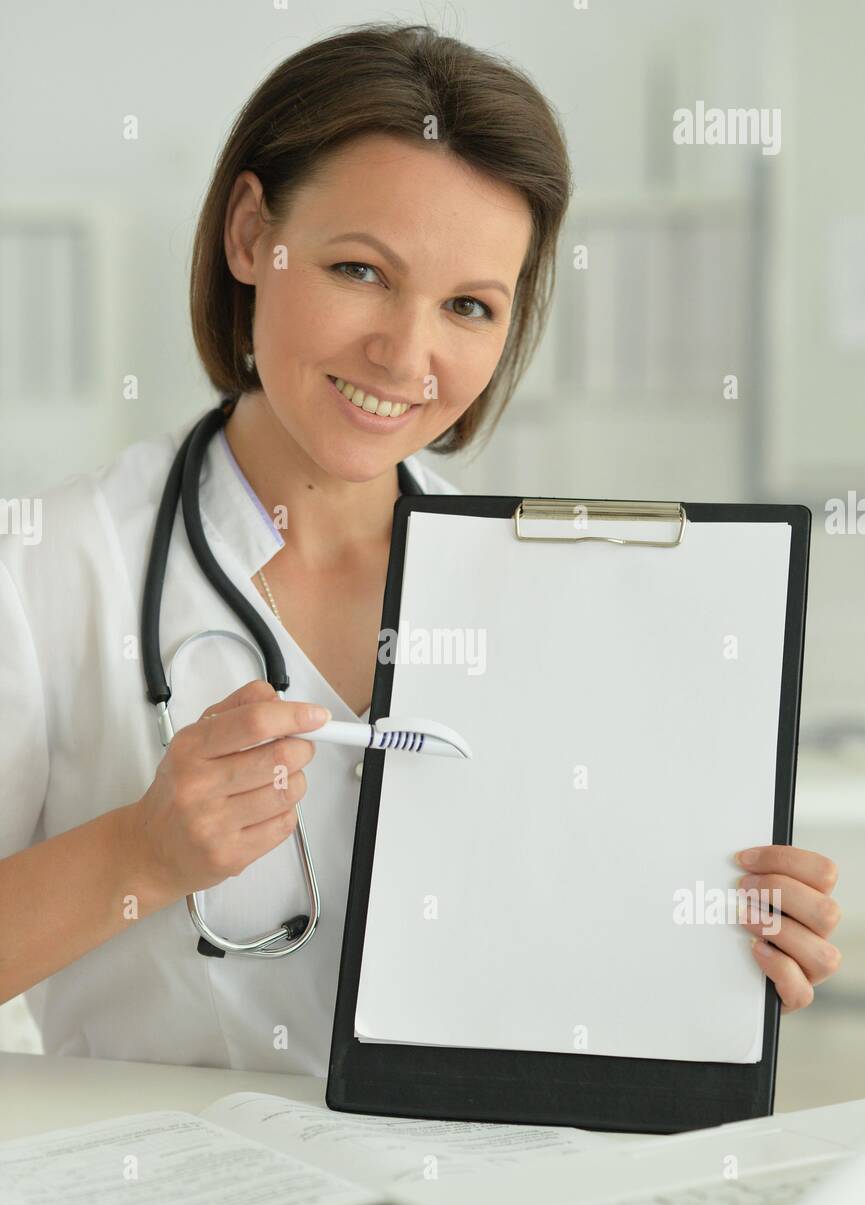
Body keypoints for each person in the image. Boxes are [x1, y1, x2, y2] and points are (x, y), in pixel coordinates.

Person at [0, 22, 841, 1075]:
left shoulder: (544, 591)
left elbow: (561, 966)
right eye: (360, 269)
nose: (407, 354)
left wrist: (715, 944)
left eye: (468, 307)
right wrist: (139, 851)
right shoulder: (50, 566)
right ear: (252, 233)